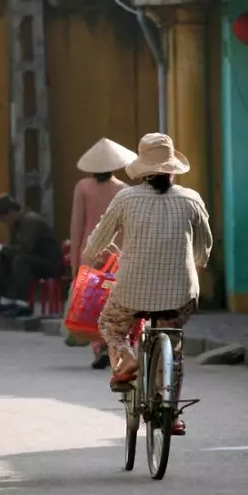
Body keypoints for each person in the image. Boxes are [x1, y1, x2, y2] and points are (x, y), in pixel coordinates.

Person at [82, 133, 212, 436]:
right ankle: (172, 410)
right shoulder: (191, 199)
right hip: (180, 293)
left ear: (142, 169)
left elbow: (99, 239)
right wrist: (195, 266)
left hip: (131, 291)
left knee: (111, 324)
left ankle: (126, 357)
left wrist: (89, 259)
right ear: (171, 169)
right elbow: (204, 248)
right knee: (173, 342)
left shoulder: (126, 198)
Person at [68, 138, 135, 370]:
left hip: (91, 252)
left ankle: (98, 346)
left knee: (93, 303)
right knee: (114, 303)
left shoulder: (83, 187)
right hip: (119, 253)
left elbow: (77, 225)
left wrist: (75, 260)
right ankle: (112, 346)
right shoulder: (124, 190)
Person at [0, 195, 64, 318]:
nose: (3, 222)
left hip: (50, 264)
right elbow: (13, 248)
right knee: (6, 257)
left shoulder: (31, 221)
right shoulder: (16, 224)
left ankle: (24, 304)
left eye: (3, 218)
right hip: (34, 260)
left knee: (20, 261)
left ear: (11, 213)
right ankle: (7, 301)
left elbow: (25, 249)